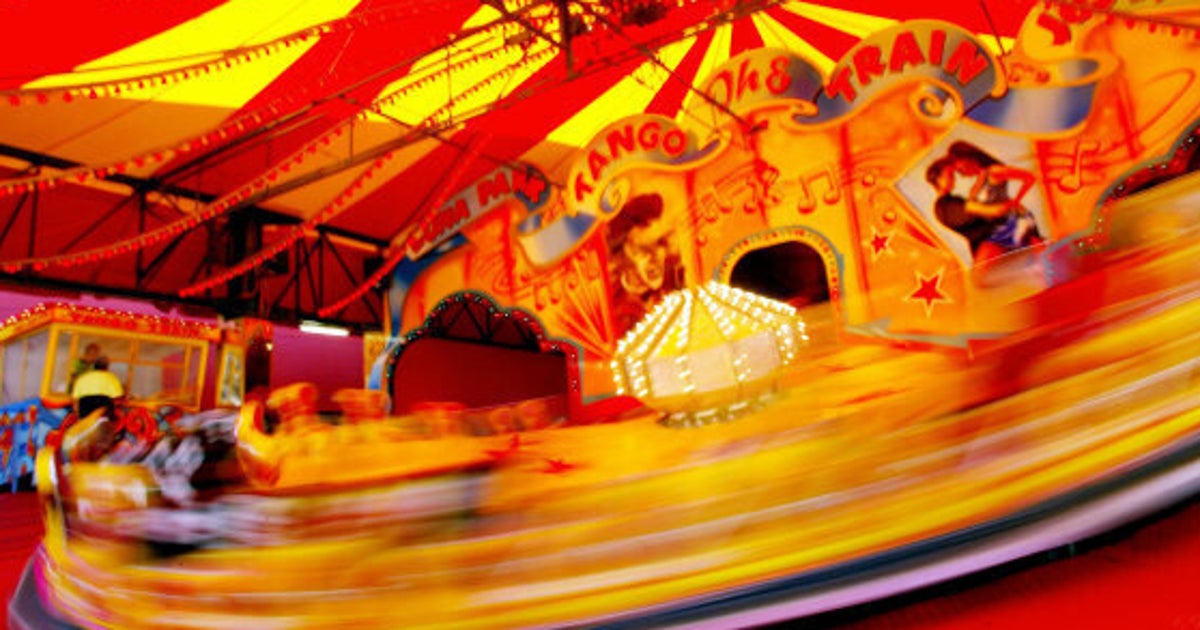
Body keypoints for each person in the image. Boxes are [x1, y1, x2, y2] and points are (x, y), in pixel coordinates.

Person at [926, 142, 1042, 262]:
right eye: (957, 172)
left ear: (969, 158)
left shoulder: (994, 171)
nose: (959, 176)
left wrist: (1016, 200)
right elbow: (975, 210)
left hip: (1011, 219)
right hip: (996, 225)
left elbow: (1030, 177)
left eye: (960, 170)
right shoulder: (977, 183)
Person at [605, 193, 684, 334]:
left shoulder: (676, 284)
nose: (655, 258)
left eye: (660, 244)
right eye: (643, 252)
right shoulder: (614, 308)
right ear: (622, 257)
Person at [71, 356, 125, 420]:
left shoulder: (83, 377)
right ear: (107, 367)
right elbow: (118, 396)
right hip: (103, 414)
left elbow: (75, 399)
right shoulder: (111, 378)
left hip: (84, 413)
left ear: (94, 366)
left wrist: (77, 413)